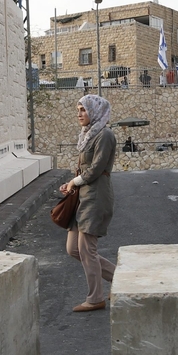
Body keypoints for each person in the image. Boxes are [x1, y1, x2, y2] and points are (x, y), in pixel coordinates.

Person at [61, 95, 117, 312]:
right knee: (73, 249)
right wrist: (71, 185)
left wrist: (74, 181)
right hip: (82, 196)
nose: (79, 114)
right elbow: (84, 170)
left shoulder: (104, 135)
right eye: (78, 110)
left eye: (83, 110)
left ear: (94, 111)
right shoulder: (87, 134)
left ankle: (95, 298)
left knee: (86, 249)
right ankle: (121, 277)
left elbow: (95, 168)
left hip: (96, 196)